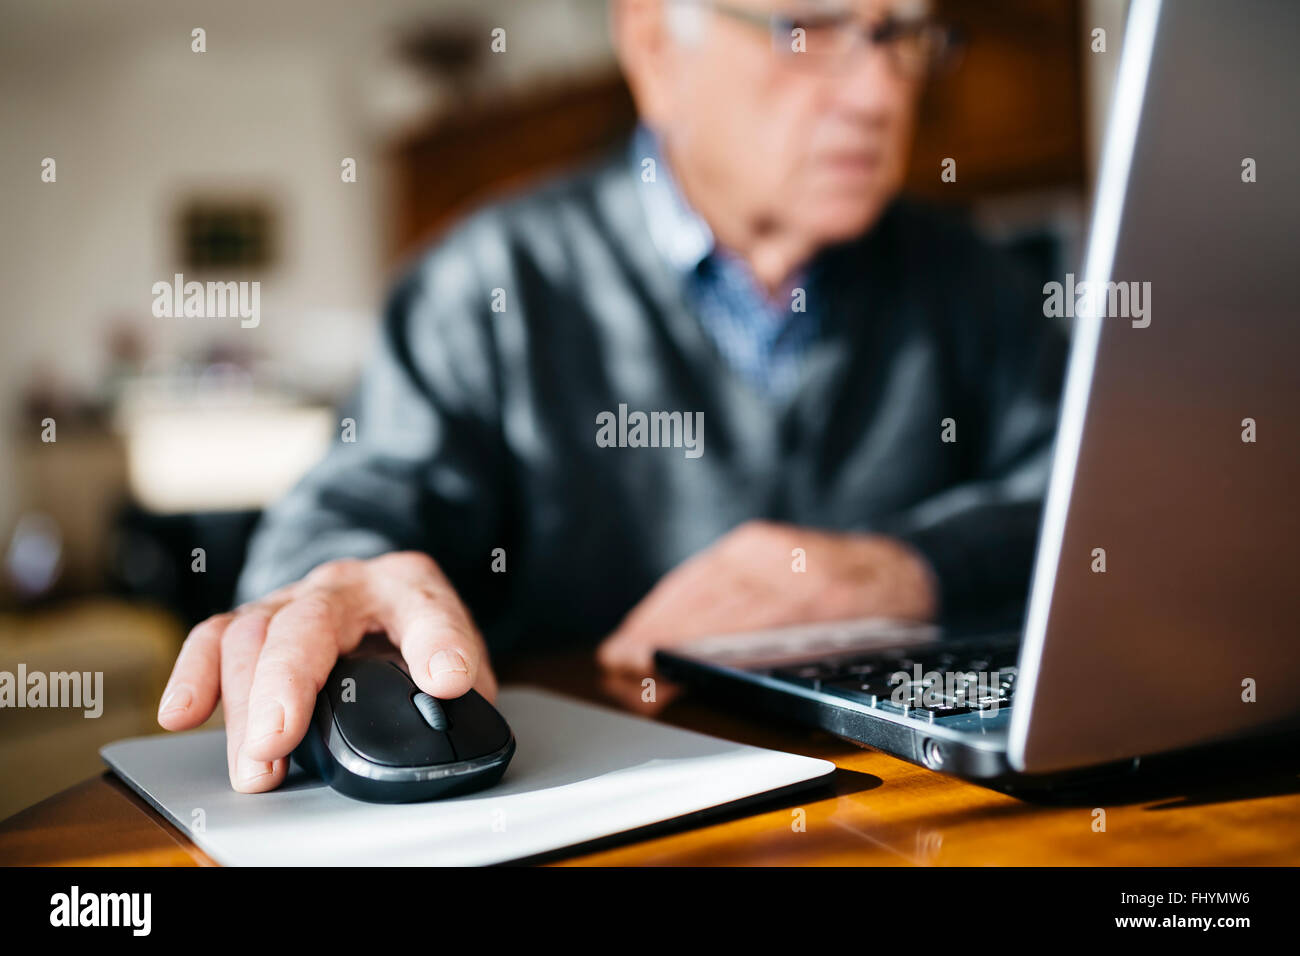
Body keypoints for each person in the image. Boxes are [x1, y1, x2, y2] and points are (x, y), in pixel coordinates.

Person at [157, 0, 1067, 793]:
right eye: (809, 27)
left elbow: (1097, 503)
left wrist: (901, 571)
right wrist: (341, 582)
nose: (879, 94)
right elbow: (345, 522)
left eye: (901, 33)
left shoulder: (972, 279)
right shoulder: (486, 286)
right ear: (656, 48)